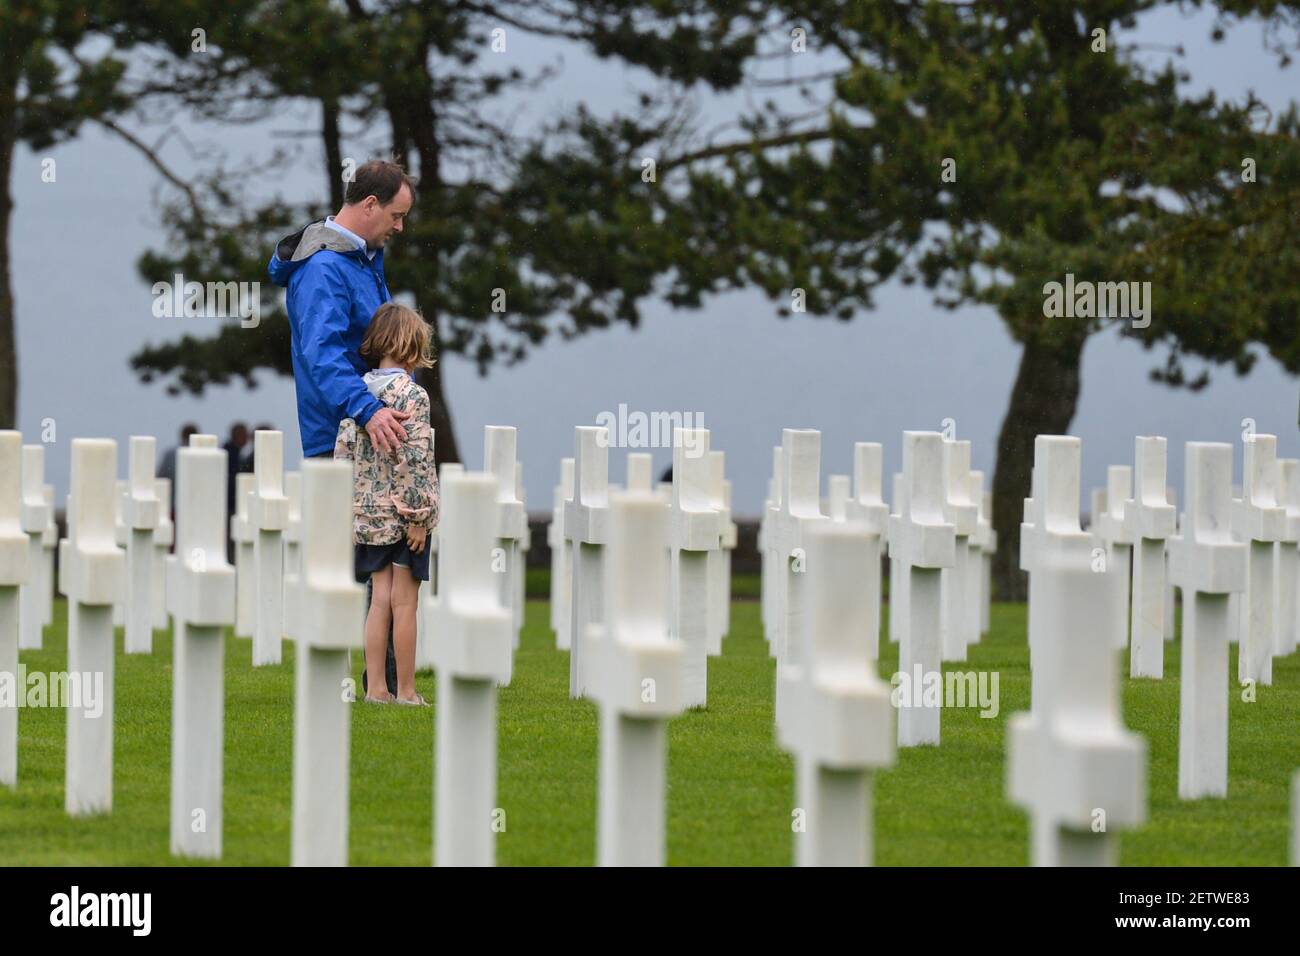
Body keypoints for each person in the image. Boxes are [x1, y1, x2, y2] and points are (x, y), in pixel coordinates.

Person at [267, 158, 418, 696]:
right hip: (340, 433)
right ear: (370, 204)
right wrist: (369, 408)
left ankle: (384, 682)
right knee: (342, 562)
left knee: (384, 557)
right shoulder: (326, 268)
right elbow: (322, 354)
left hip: (366, 429)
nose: (400, 227)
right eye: (396, 215)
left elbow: (380, 346)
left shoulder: (363, 258)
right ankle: (335, 682)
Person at [334, 302, 438, 705]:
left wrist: (354, 509)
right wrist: (419, 516)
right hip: (402, 514)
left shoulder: (358, 392)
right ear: (412, 346)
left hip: (369, 516)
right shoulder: (413, 394)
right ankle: (407, 691)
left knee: (378, 602)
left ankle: (377, 689)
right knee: (405, 603)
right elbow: (415, 459)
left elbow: (343, 453)